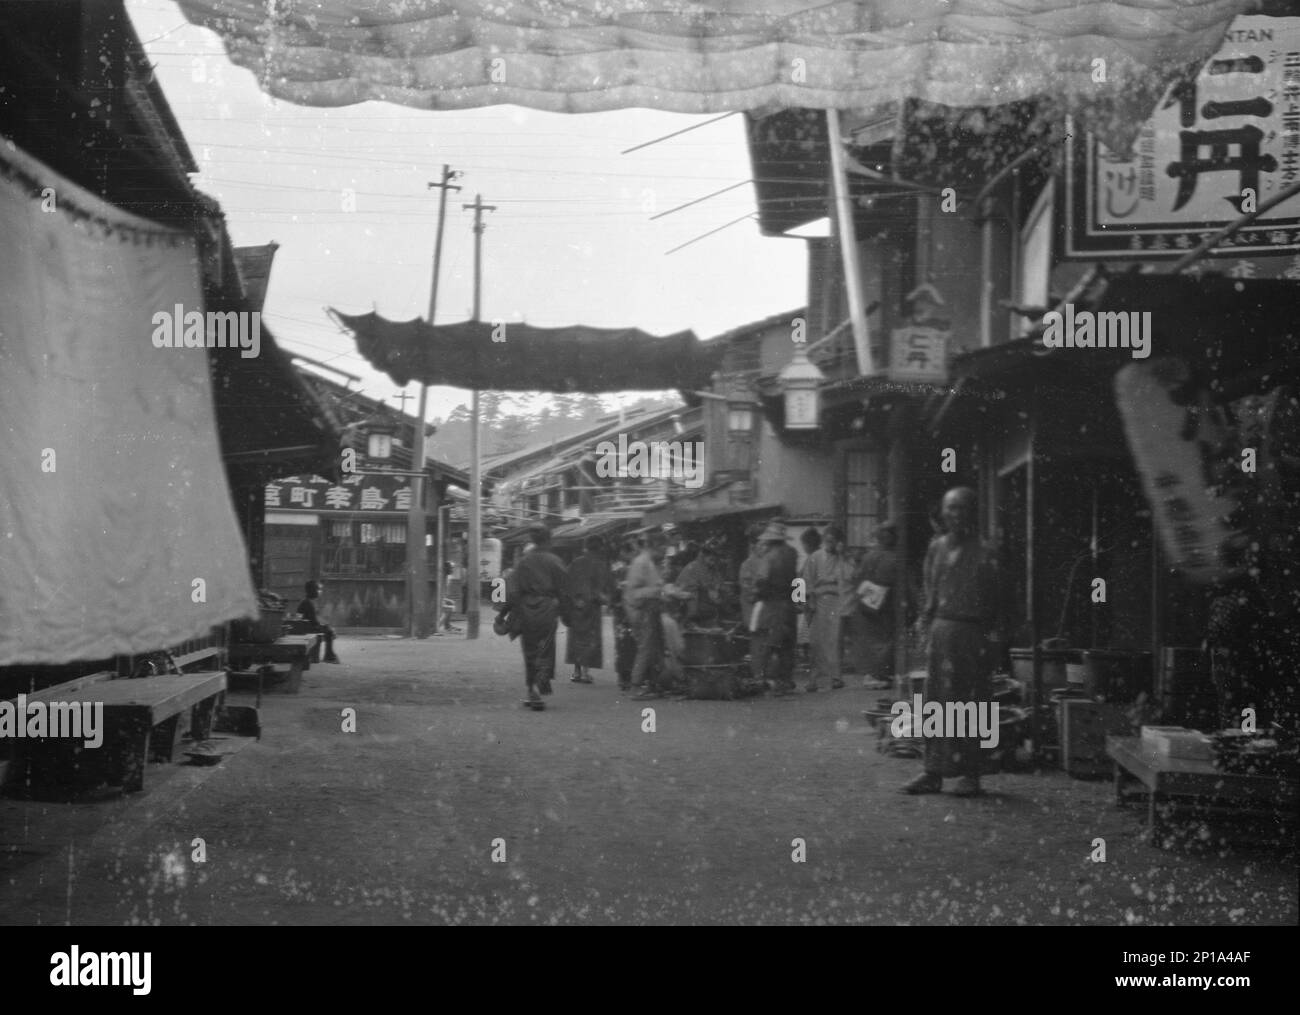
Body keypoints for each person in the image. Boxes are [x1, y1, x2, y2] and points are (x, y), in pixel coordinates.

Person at [902, 487, 1004, 797]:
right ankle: (932, 771)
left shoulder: (988, 551)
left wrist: (993, 640)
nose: (955, 514)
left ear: (972, 513)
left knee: (971, 702)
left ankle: (971, 773)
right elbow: (929, 590)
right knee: (936, 701)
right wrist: (925, 625)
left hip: (973, 633)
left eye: (961, 508)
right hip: (941, 631)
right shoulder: (936, 548)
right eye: (950, 508)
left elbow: (999, 602)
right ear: (943, 514)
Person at [505, 526, 571, 710]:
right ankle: (537, 688)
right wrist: (567, 613)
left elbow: (512, 590)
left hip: (527, 609)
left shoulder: (524, 562)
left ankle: (531, 689)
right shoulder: (555, 561)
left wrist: (508, 613)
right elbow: (565, 590)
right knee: (545, 649)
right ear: (549, 540)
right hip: (548, 609)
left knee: (530, 649)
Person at [802, 525, 854, 692]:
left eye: (833, 541)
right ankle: (813, 679)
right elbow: (807, 579)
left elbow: (850, 576)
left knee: (835, 640)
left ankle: (836, 677)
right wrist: (808, 601)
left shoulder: (843, 559)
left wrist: (843, 555)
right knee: (816, 641)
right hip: (818, 602)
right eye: (827, 540)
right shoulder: (815, 557)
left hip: (837, 602)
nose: (829, 544)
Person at [854, 519, 905, 689]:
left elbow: (857, 577)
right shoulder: (894, 558)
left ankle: (874, 674)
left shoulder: (868, 556)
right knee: (884, 639)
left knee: (872, 638)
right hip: (886, 601)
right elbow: (891, 579)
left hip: (866, 597)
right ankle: (879, 674)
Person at [754, 521, 799, 697]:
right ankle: (786, 680)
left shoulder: (768, 557)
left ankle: (768, 680)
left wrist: (758, 595)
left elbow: (761, 583)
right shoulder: (792, 554)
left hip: (773, 604)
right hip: (789, 605)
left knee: (771, 643)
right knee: (788, 644)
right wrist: (798, 601)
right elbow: (797, 580)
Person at [624, 532, 668, 700]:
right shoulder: (642, 562)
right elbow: (634, 593)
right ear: (654, 547)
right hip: (642, 611)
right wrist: (657, 591)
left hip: (651, 609)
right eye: (663, 548)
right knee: (646, 648)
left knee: (656, 648)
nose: (665, 552)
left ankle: (655, 684)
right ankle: (635, 686)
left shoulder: (652, 563)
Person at [565, 537, 612, 683]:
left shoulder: (576, 562)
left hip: (576, 605)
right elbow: (603, 587)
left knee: (576, 638)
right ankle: (585, 672)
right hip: (592, 606)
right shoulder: (601, 564)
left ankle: (577, 672)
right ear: (599, 548)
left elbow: (566, 581)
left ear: (586, 547)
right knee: (590, 638)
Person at [669, 536, 726, 627]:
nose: (714, 559)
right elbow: (694, 591)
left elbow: (717, 586)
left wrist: (719, 591)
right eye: (711, 555)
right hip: (690, 613)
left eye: (716, 556)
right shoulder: (694, 568)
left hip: (705, 613)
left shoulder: (713, 569)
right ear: (704, 554)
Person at [738, 523, 766, 678]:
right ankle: (758, 675)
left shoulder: (766, 561)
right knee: (758, 644)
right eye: (762, 544)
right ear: (754, 545)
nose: (765, 547)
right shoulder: (747, 565)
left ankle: (764, 674)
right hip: (755, 610)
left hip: (765, 609)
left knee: (765, 643)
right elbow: (748, 590)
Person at [296, 580, 340, 663]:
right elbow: (314, 621)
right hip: (306, 628)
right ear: (312, 590)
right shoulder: (307, 603)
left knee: (328, 629)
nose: (320, 592)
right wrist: (324, 626)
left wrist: (324, 625)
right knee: (329, 631)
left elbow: (314, 619)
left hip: (307, 626)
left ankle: (329, 654)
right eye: (318, 589)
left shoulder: (307, 602)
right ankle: (329, 655)